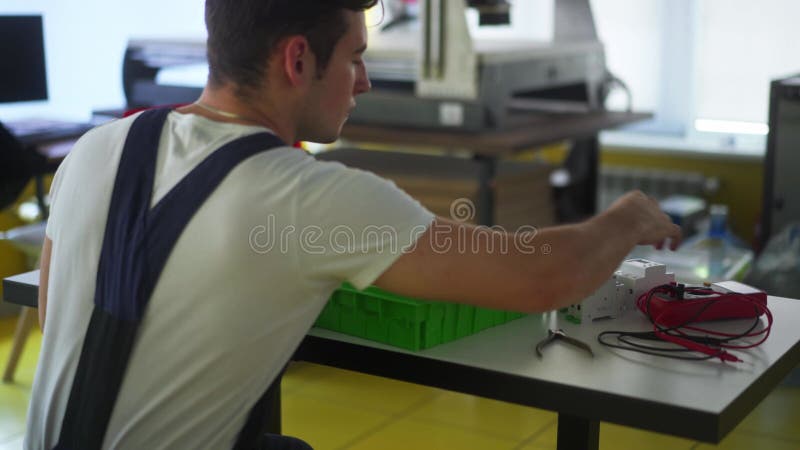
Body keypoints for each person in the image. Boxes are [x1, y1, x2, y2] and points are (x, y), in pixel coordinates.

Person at [26, 0, 682, 449]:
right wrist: (628, 215)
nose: (364, 81)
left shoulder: (97, 149)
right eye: (355, 56)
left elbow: (61, 317)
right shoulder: (311, 198)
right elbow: (546, 275)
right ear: (297, 61)